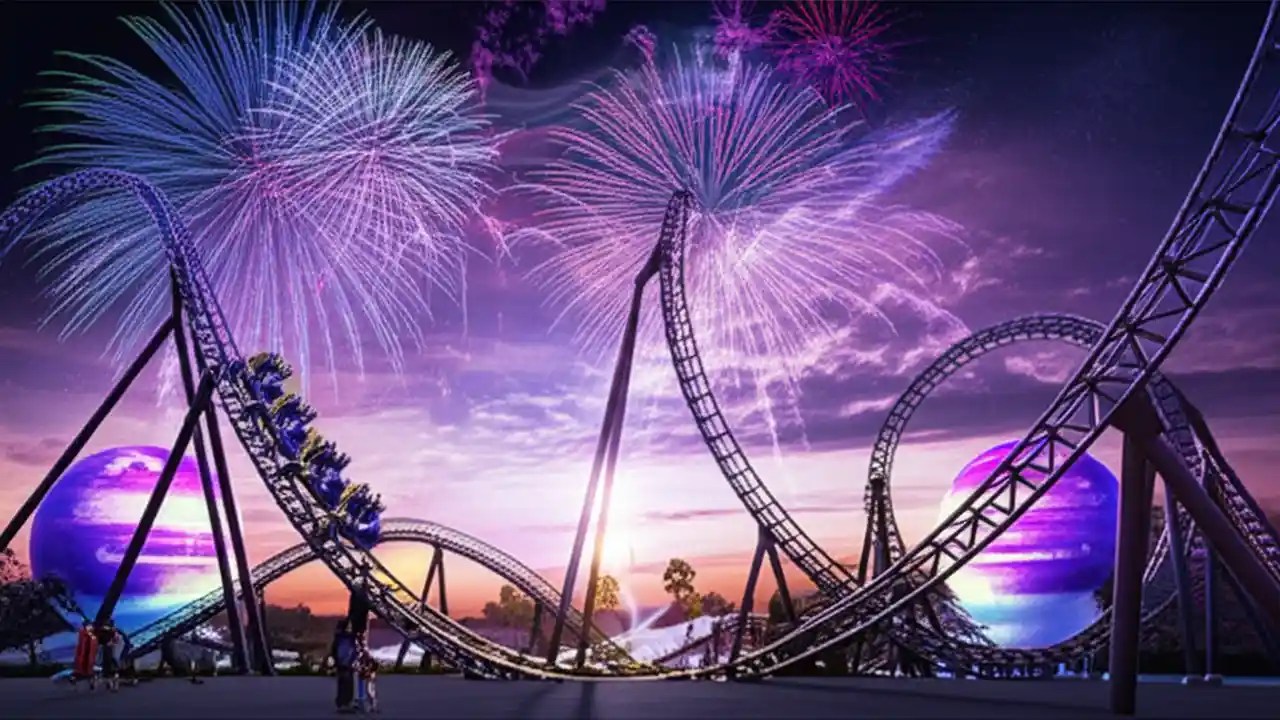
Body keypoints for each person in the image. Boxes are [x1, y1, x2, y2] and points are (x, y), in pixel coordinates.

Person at [331, 620, 358, 713]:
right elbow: (352, 650)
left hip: (343, 663)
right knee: (347, 683)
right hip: (346, 663)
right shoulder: (347, 638)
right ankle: (345, 702)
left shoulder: (340, 638)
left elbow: (334, 651)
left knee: (343, 683)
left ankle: (342, 702)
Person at [355, 636, 379, 714]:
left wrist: (370, 670)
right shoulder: (359, 653)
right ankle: (364, 705)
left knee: (369, 691)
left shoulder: (365, 653)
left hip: (369, 674)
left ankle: (373, 706)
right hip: (363, 674)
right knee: (362, 691)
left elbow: (374, 663)